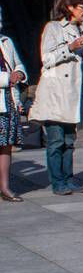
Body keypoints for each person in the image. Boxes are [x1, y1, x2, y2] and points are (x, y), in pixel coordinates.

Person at [28, 0, 83, 195]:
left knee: (69, 141)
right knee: (56, 140)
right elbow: (46, 58)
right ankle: (58, 181)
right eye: (82, 7)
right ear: (70, 7)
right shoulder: (53, 27)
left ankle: (69, 178)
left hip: (72, 94)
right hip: (56, 94)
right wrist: (70, 47)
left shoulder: (81, 30)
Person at [0, 27, 28, 202]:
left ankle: (5, 186)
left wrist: (20, 73)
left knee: (6, 145)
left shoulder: (6, 41)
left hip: (7, 100)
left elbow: (17, 63)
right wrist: (6, 78)